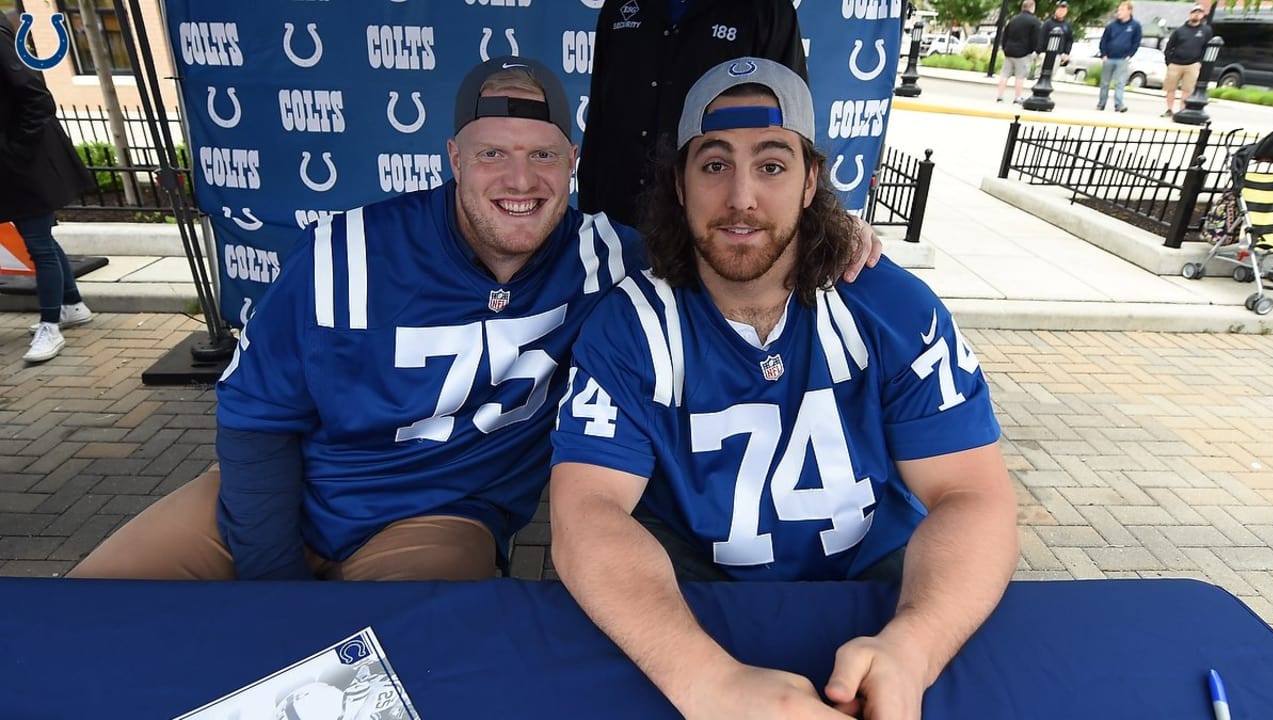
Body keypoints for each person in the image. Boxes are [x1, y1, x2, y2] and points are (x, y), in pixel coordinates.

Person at [67, 57, 881, 582]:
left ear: (571, 163)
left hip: (437, 520)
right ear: (454, 159)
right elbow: (252, 416)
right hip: (274, 501)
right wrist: (271, 570)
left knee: (403, 674)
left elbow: (731, 246)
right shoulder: (346, 252)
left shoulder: (612, 259)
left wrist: (829, 229)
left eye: (541, 154)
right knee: (74, 620)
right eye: (493, 152)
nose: (518, 178)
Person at [549, 57, 1018, 720]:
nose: (742, 196)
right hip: (698, 592)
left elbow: (973, 493)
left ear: (810, 183)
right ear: (679, 184)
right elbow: (584, 514)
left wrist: (915, 646)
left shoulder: (892, 309)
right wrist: (705, 682)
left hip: (880, 585)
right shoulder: (630, 328)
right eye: (713, 164)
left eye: (771, 165)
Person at [577, 0, 808, 229]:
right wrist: (587, 217)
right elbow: (599, 117)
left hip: (709, 220)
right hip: (616, 215)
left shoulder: (770, 9)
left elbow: (790, 129)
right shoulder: (618, 5)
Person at [1, 10, 96, 364]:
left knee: (38, 242)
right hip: (19, 162)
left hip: (28, 163)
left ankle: (50, 326)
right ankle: (72, 305)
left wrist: (15, 151)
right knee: (39, 238)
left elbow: (37, 98)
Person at [1162, 4, 1212, 118]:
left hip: (1193, 64)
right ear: (1190, 14)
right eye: (1194, 12)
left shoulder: (1206, 30)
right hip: (1176, 63)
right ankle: (1169, 109)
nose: (1196, 14)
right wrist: (1169, 62)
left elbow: (1206, 47)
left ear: (1202, 15)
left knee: (1187, 89)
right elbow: (1169, 46)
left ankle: (1182, 110)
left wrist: (1200, 62)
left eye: (1199, 12)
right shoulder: (1179, 30)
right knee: (1170, 88)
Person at [1097, 0, 1142, 112]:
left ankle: (1119, 104)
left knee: (1120, 83)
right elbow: (1104, 40)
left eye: (1122, 10)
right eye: (1119, 9)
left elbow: (1136, 42)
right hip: (1109, 57)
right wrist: (1103, 54)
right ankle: (1101, 104)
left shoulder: (1135, 26)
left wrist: (1130, 55)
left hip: (1123, 58)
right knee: (1105, 83)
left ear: (1129, 11)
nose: (1119, 12)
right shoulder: (1111, 25)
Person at [996, 0, 1041, 104]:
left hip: (1009, 51)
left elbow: (1005, 35)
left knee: (1004, 75)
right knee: (1020, 76)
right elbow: (1036, 38)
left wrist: (1005, 48)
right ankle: (1017, 97)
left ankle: (1000, 96)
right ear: (1032, 7)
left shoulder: (1013, 19)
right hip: (1023, 53)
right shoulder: (1034, 22)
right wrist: (1034, 51)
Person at [1039, 0, 1075, 76]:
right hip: (1045, 54)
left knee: (1051, 75)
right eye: (1060, 9)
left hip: (1058, 55)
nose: (1061, 12)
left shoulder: (1067, 26)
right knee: (1040, 74)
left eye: (1064, 10)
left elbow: (1069, 40)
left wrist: (1066, 53)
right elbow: (1041, 37)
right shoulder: (1048, 23)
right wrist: (1040, 51)